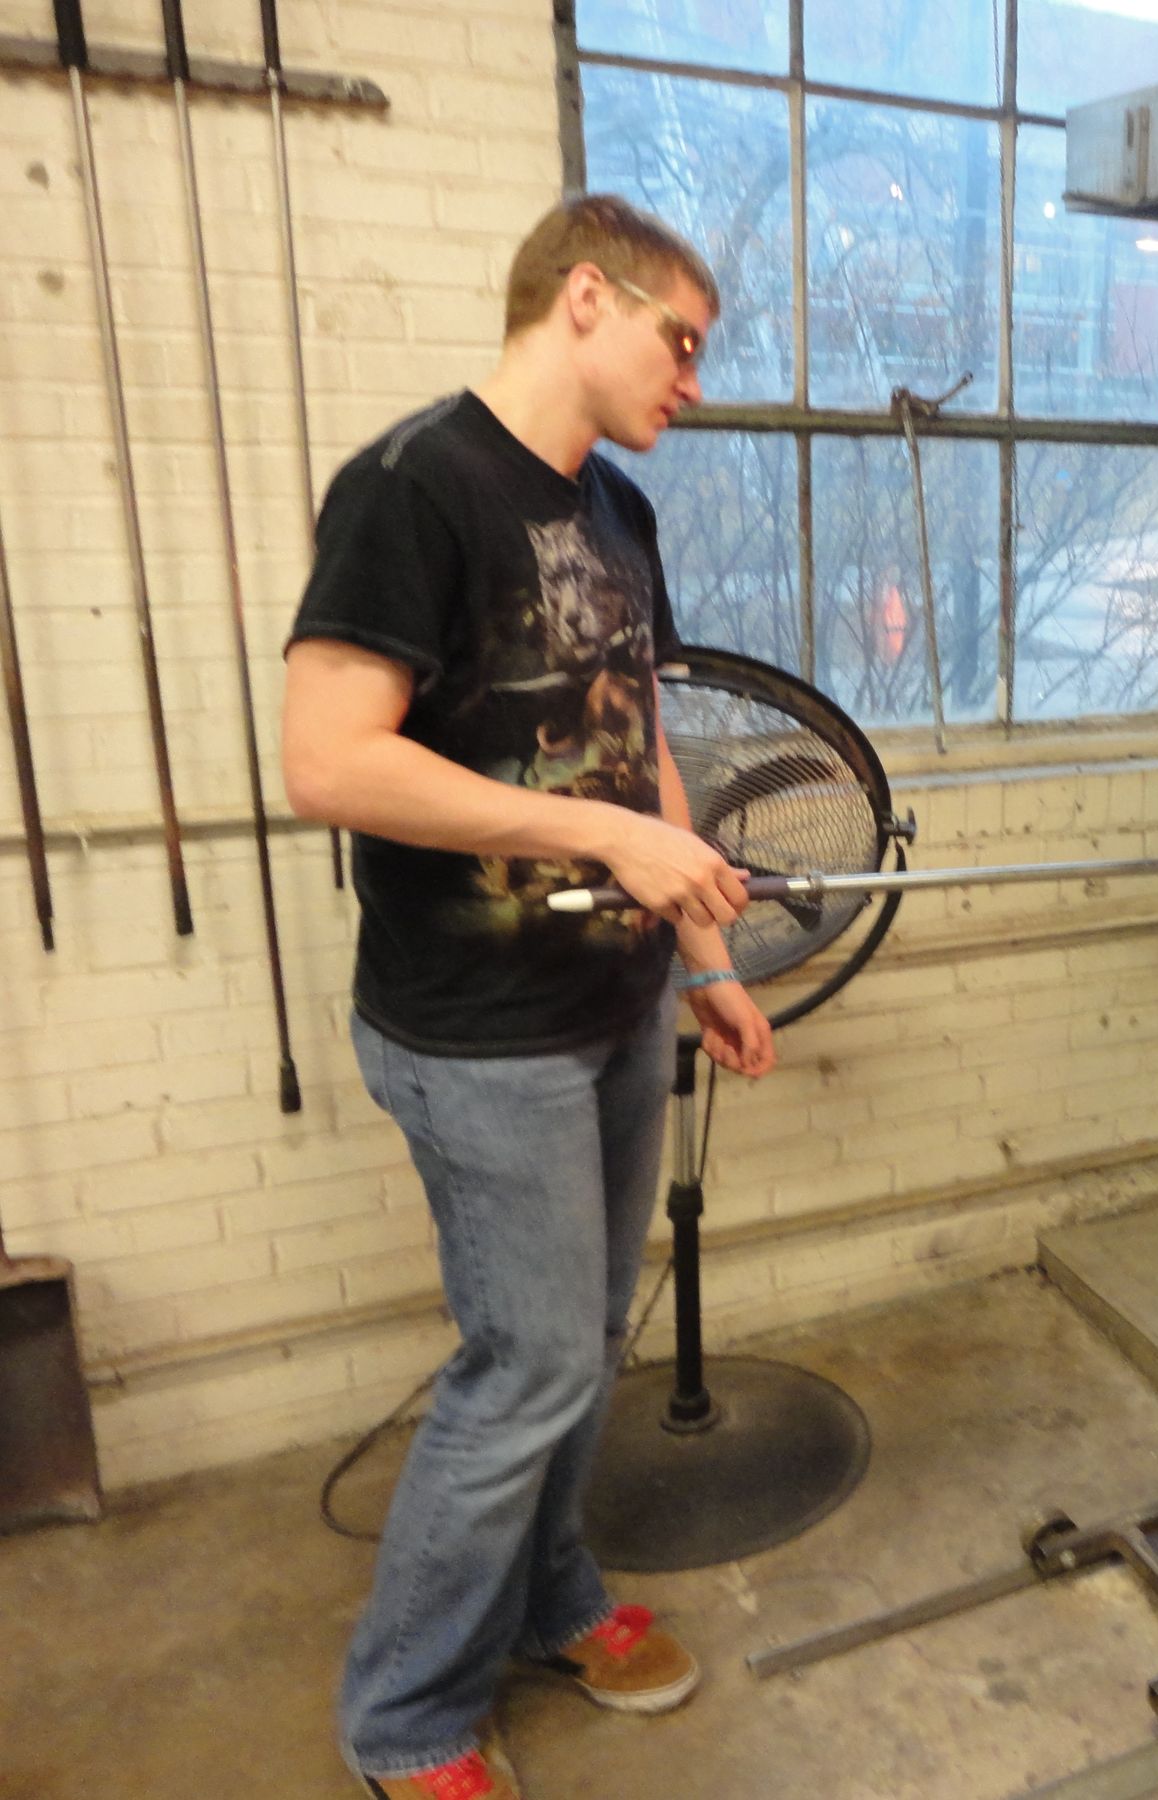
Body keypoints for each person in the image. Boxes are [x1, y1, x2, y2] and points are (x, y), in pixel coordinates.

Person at [283, 194, 777, 1800]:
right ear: (585, 298)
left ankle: (553, 1598)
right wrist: (599, 833)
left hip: (613, 1009)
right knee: (532, 1360)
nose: (694, 379)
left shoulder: (620, 514)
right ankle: (407, 1714)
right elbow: (329, 763)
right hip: (469, 1031)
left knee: (580, 1344)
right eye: (679, 340)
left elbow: (645, 757)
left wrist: (704, 956)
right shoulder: (412, 487)